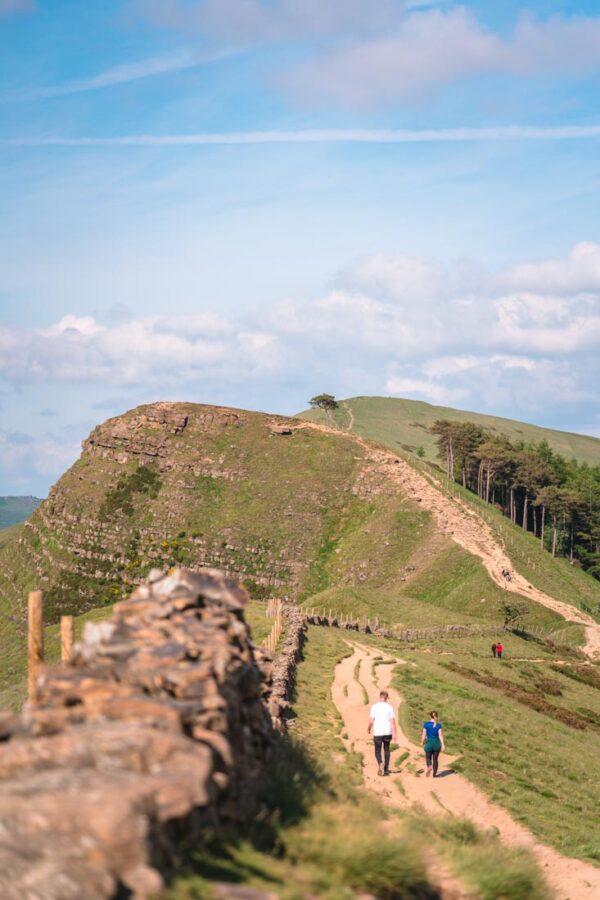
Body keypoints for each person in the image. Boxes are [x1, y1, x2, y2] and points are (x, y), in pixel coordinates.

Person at [367, 690, 398, 776]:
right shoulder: (390, 707)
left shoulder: (374, 707)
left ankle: (380, 763)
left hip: (378, 732)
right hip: (388, 732)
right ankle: (386, 769)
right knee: (387, 749)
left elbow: (371, 721)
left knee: (377, 750)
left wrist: (369, 728)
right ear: (387, 698)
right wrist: (395, 733)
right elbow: (392, 722)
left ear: (380, 697)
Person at [421, 711, 445, 778]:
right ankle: (434, 774)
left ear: (430, 716)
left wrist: (422, 742)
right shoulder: (438, 725)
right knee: (435, 759)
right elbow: (440, 736)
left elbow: (424, 734)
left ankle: (429, 766)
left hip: (429, 743)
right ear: (436, 716)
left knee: (428, 758)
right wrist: (443, 745)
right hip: (436, 744)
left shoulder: (426, 724)